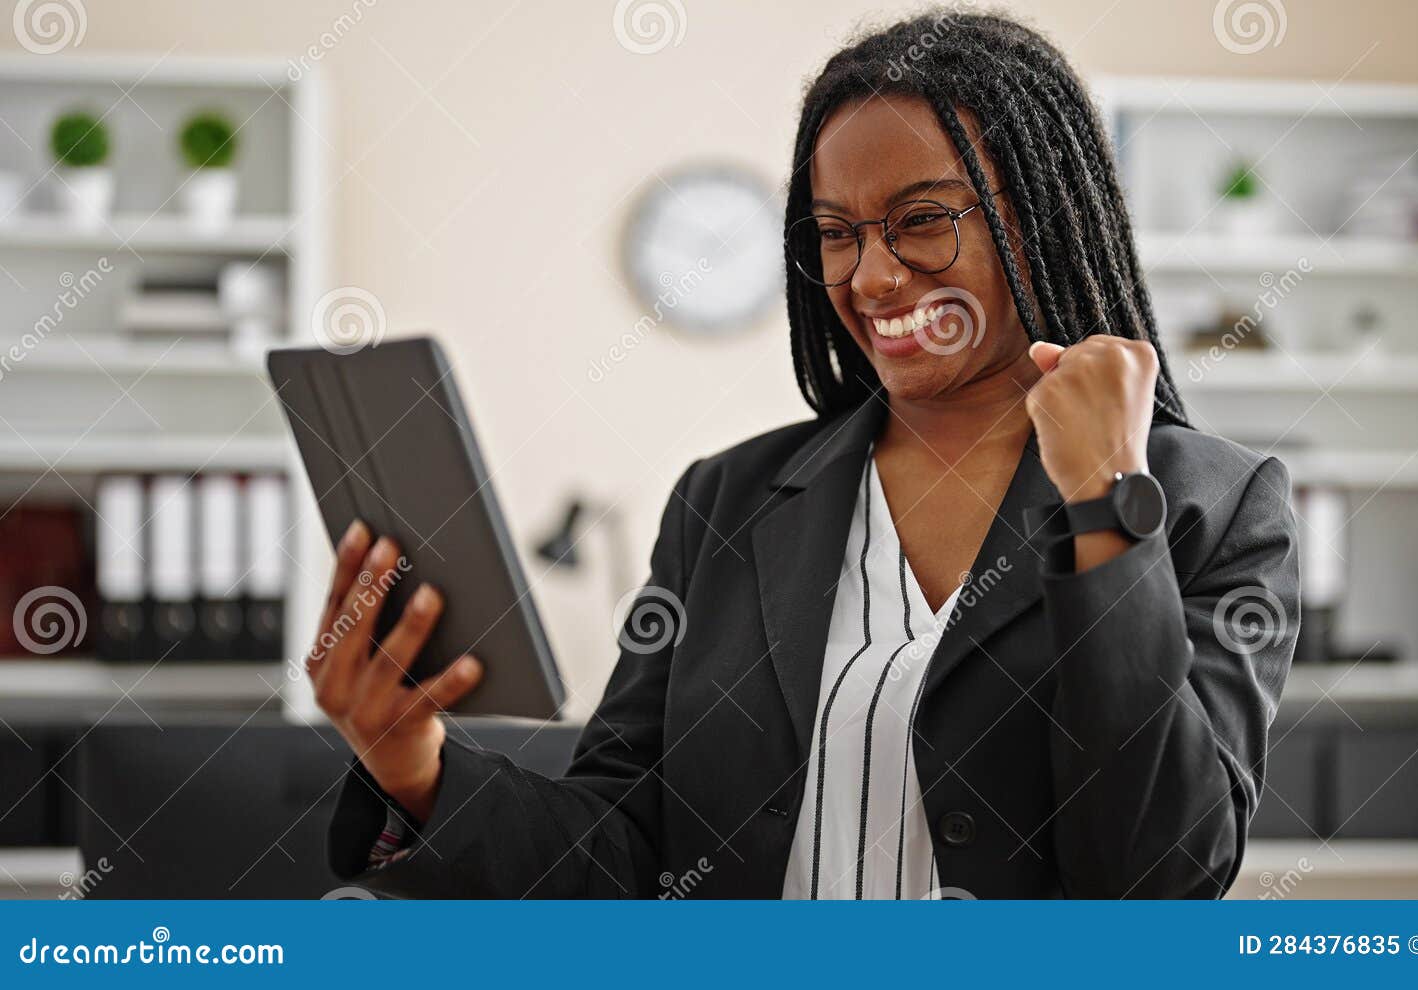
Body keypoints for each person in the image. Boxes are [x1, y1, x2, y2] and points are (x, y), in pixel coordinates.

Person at [312, 9, 1299, 899]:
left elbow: (1158, 880)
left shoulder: (1207, 506)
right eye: (835, 234)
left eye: (919, 222)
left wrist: (1105, 503)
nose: (870, 277)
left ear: (1040, 218)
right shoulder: (728, 502)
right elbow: (621, 858)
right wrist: (415, 765)